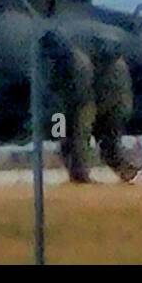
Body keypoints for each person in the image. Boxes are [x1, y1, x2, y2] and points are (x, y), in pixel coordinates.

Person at [42, 33, 97, 183]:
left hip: (79, 105)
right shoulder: (62, 60)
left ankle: (82, 175)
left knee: (79, 139)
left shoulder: (75, 62)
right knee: (63, 137)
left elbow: (79, 89)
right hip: (64, 106)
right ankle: (75, 174)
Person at [92, 40, 141, 182]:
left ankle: (126, 170)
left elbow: (107, 96)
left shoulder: (111, 70)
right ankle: (126, 170)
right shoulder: (119, 66)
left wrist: (97, 112)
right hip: (119, 110)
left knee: (108, 145)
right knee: (109, 144)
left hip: (113, 112)